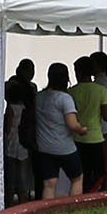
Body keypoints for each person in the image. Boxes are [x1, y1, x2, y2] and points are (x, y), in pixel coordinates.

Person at [32, 68, 81, 200]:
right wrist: (82, 129)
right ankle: (73, 209)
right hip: (65, 148)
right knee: (77, 178)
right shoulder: (65, 98)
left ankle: (47, 213)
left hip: (44, 147)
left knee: (49, 184)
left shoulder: (39, 96)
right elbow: (72, 124)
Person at [71, 56, 107, 194]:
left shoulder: (71, 92)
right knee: (101, 171)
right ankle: (93, 192)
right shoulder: (101, 91)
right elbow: (106, 116)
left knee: (83, 171)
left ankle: (84, 192)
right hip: (96, 137)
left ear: (78, 72)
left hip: (77, 138)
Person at [1, 63, 38, 202]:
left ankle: (10, 200)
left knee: (10, 175)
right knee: (24, 174)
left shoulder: (11, 108)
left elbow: (7, 128)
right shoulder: (25, 106)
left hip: (12, 144)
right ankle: (23, 198)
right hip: (24, 141)